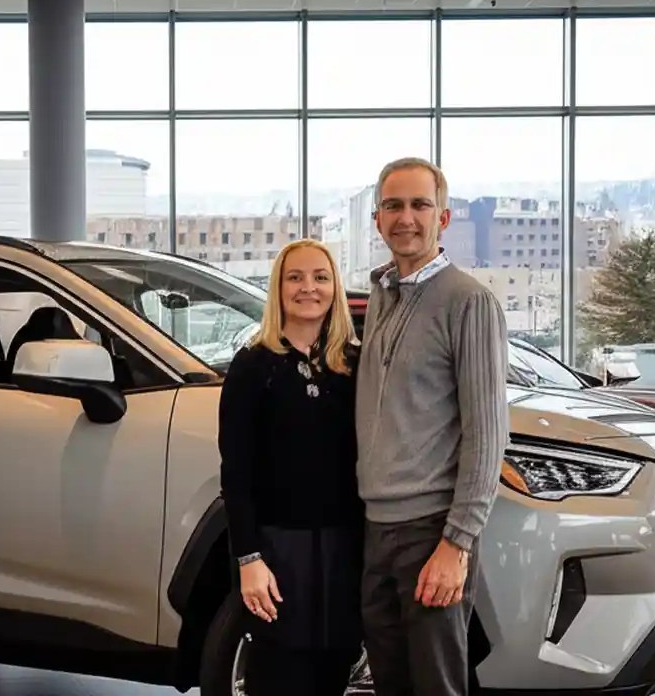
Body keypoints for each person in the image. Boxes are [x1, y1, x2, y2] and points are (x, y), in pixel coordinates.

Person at [355, 157, 509, 696]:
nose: (406, 217)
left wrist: (457, 543)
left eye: (421, 204)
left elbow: (488, 436)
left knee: (437, 687)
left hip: (430, 533)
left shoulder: (468, 301)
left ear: (442, 219)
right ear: (377, 219)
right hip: (376, 530)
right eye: (393, 205)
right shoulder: (381, 297)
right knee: (391, 685)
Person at [218, 238, 364, 695]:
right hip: (277, 555)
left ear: (335, 288)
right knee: (278, 676)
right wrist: (249, 560)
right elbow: (235, 474)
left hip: (347, 555)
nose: (309, 288)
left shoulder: (355, 367)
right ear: (278, 288)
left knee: (333, 674)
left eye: (321, 278)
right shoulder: (252, 367)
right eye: (295, 277)